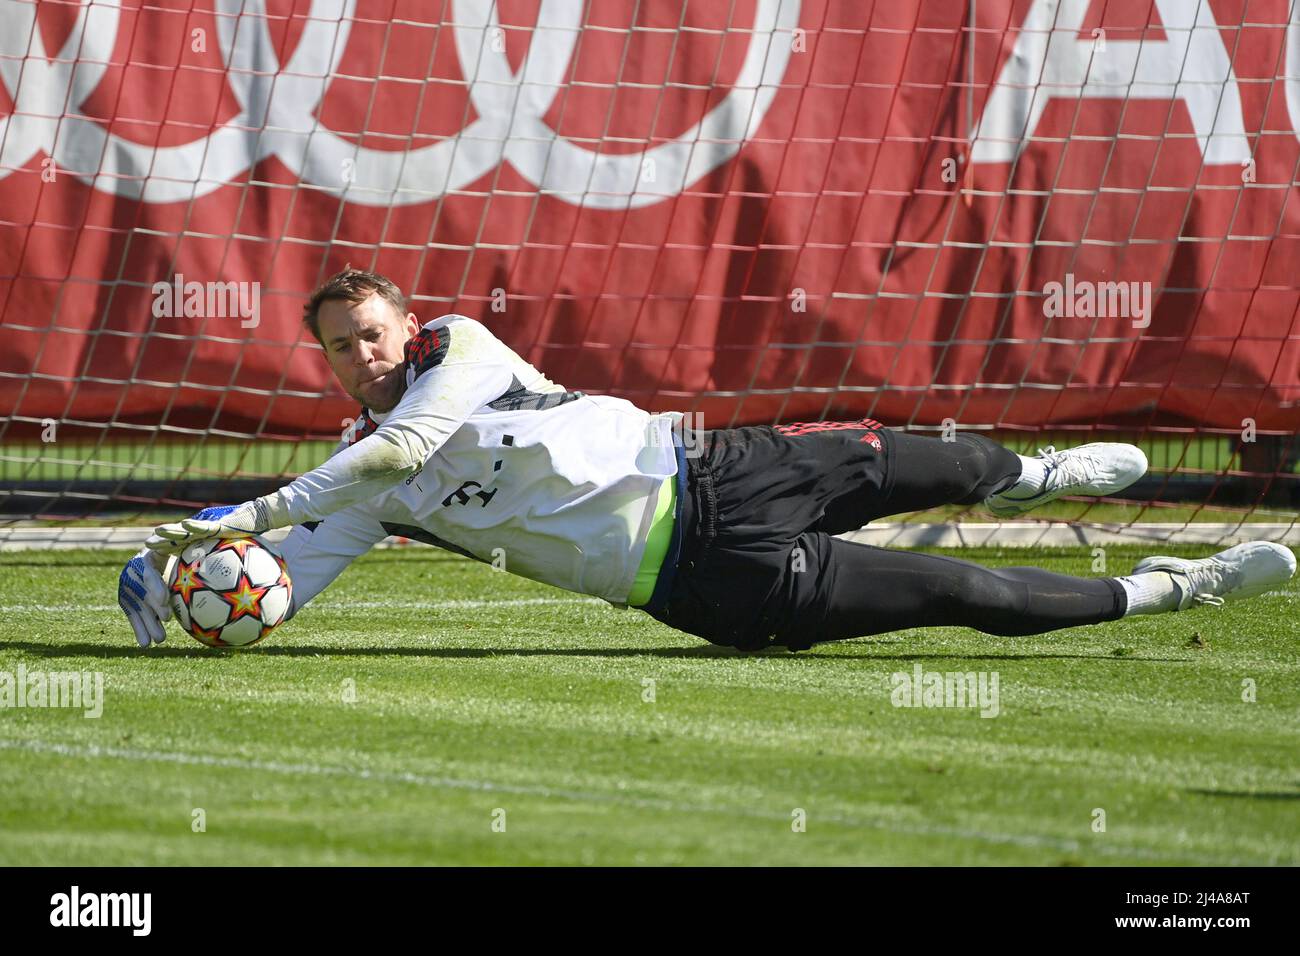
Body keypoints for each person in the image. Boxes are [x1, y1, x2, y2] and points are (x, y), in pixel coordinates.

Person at [117, 269, 1296, 651]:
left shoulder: (456, 351)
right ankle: (1176, 585)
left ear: (401, 322)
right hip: (695, 584)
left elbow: (410, 443)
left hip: (717, 468)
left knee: (924, 460)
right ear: (323, 360)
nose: (359, 355)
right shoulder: (361, 473)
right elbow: (293, 577)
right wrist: (194, 582)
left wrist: (241, 509)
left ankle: (1036, 479)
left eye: (368, 332)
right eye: (337, 348)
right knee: (957, 591)